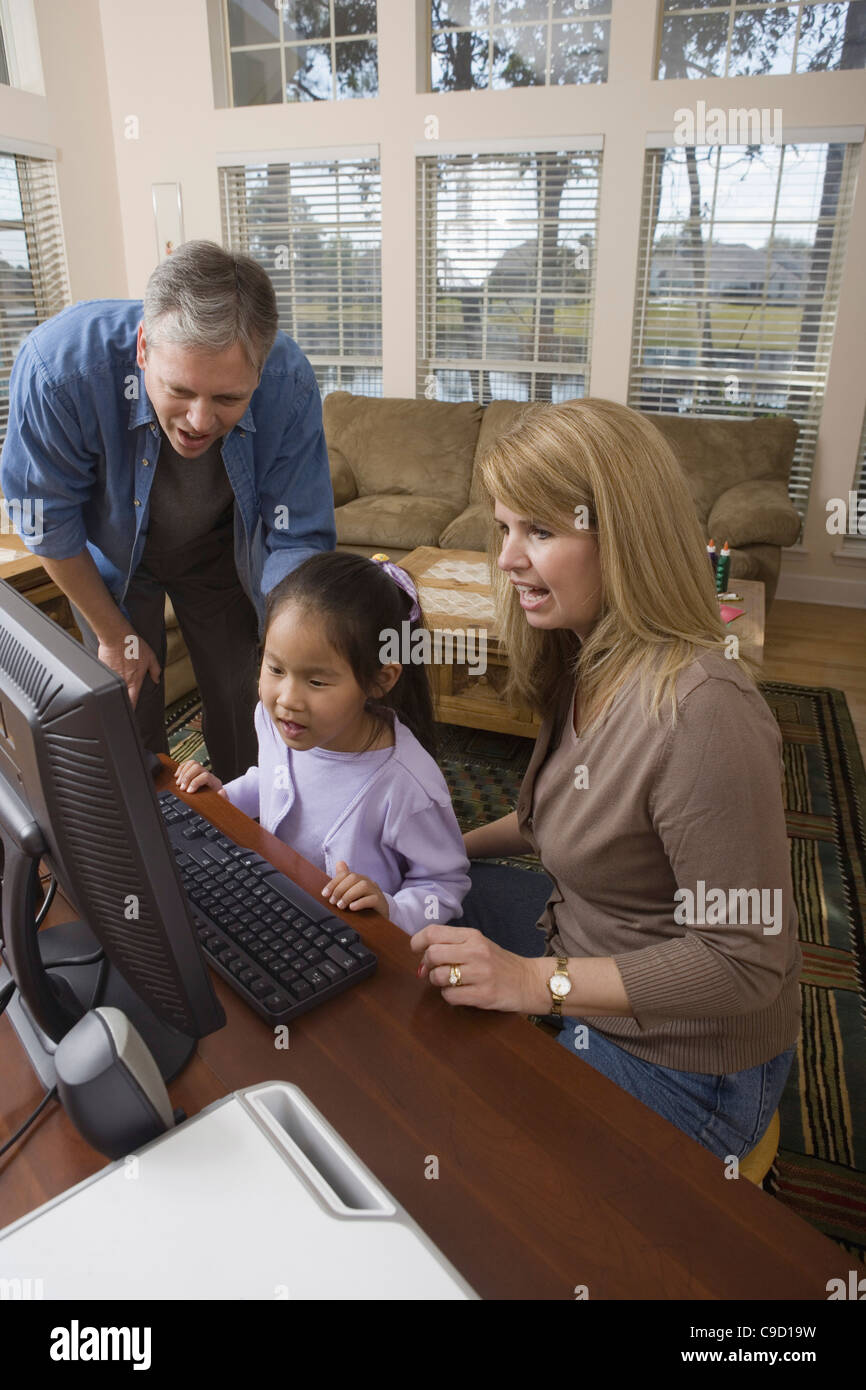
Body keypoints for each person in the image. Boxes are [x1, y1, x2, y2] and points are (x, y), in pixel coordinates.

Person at [411, 398, 802, 1163]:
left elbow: (741, 961)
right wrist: (444, 848)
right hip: (582, 931)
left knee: (466, 1146)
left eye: (541, 531)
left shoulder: (704, 714)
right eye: (505, 528)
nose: (508, 559)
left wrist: (537, 983)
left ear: (621, 537)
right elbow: (548, 819)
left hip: (689, 1058)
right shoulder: (583, 654)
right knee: (419, 914)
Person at [0, 241, 336, 782]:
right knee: (125, 703)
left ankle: (248, 828)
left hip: (221, 552)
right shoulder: (59, 369)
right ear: (142, 349)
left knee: (247, 693)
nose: (199, 421)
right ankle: (152, 843)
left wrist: (287, 651)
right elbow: (46, 518)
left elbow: (297, 533)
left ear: (259, 369)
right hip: (107, 555)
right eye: (179, 390)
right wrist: (115, 634)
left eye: (228, 399)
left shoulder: (286, 380)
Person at [174, 551, 471, 937]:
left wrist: (391, 908)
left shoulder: (408, 785)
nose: (287, 699)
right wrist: (223, 799)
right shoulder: (277, 721)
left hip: (359, 945)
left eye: (316, 682)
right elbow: (273, 780)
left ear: (381, 680)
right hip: (281, 910)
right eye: (275, 669)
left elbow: (445, 885)